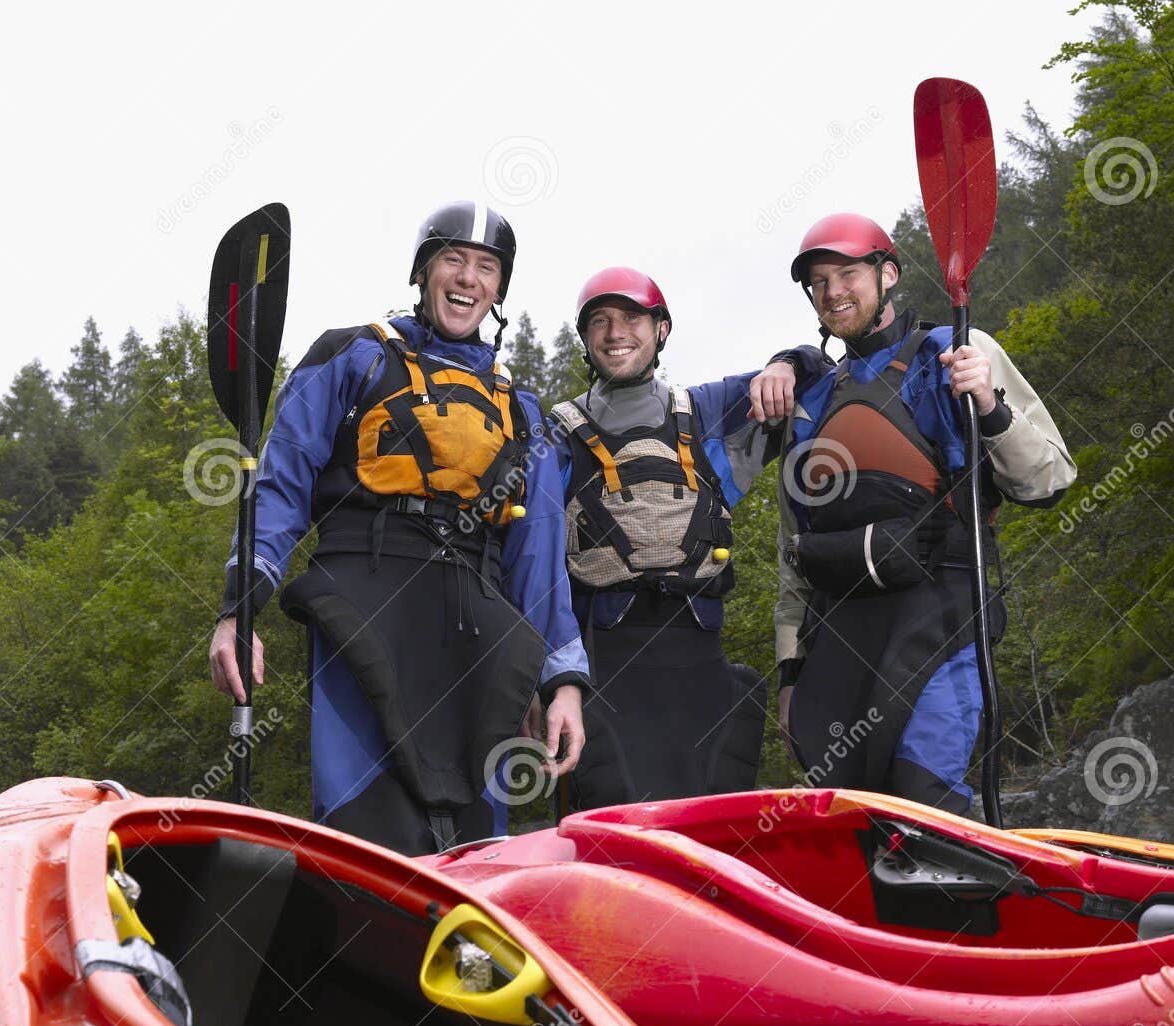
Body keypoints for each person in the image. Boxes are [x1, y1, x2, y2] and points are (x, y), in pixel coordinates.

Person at [208, 201, 587, 853]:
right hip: (363, 599)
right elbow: (282, 485)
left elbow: (539, 558)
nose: (468, 278)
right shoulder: (350, 357)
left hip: (479, 629)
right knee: (366, 831)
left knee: (476, 848)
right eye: (453, 260)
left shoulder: (522, 411)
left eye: (485, 267)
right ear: (423, 272)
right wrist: (239, 608)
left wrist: (561, 682)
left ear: (499, 288)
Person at [768, 212, 1076, 815]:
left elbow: (1048, 481)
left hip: (943, 618)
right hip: (841, 633)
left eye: (848, 274)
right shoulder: (809, 398)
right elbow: (792, 551)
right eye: (819, 281)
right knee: (856, 815)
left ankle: (975, 902)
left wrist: (987, 403)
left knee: (921, 796)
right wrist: (788, 674)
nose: (833, 292)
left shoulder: (955, 351)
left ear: (888, 275)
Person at [549, 267, 799, 810]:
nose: (616, 333)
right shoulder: (557, 434)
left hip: (699, 664)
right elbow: (529, 566)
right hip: (602, 668)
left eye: (632, 318)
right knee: (611, 840)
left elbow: (821, 374)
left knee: (713, 832)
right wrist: (548, 680)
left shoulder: (707, 411)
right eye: (600, 321)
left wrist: (785, 363)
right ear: (586, 339)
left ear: (661, 329)